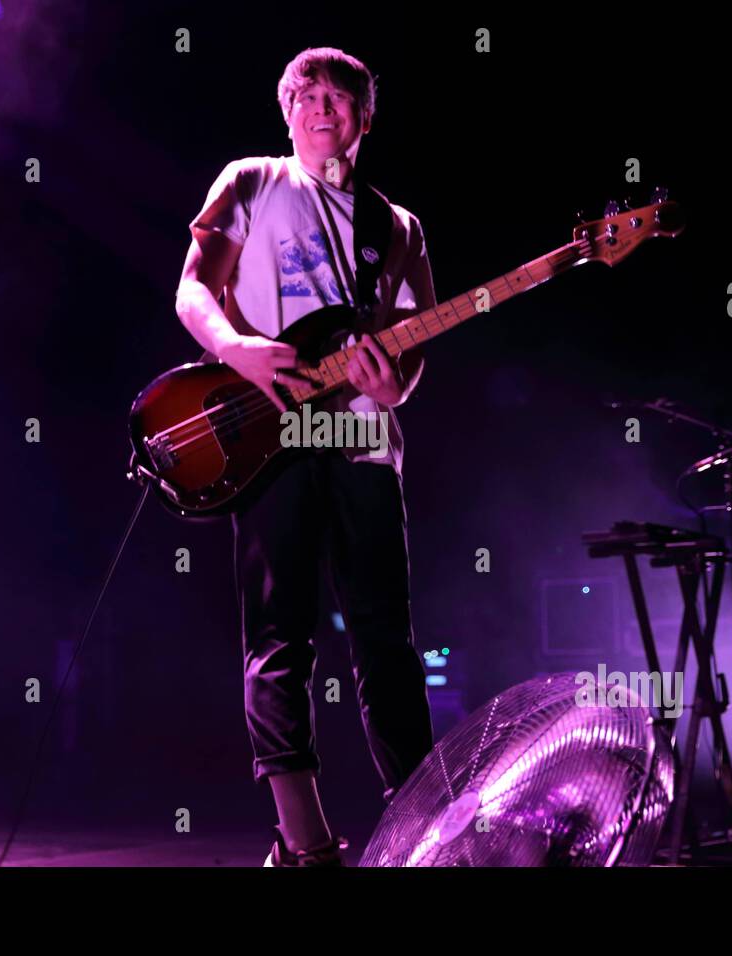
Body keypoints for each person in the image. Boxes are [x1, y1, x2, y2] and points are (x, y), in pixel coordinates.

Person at [175, 46, 436, 867]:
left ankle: (424, 827)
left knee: (386, 643)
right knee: (279, 639)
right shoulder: (252, 179)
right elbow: (192, 287)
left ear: (366, 115)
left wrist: (394, 387)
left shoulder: (396, 226)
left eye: (342, 97)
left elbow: (415, 338)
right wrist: (239, 349)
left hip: (360, 440)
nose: (324, 109)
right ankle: (304, 841)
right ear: (286, 110)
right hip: (270, 435)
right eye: (309, 95)